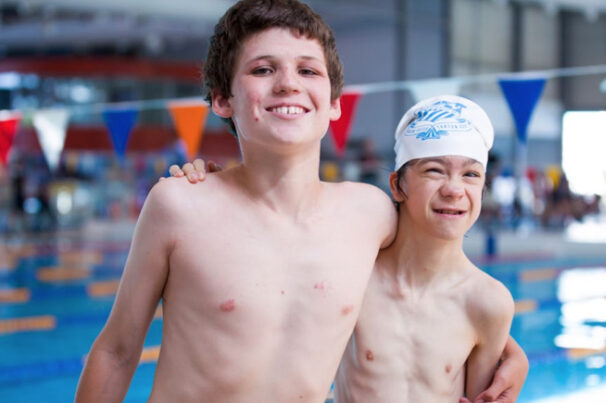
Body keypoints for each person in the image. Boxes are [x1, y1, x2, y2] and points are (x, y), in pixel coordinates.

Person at [77, 1, 525, 402]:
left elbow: (437, 277)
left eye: (308, 70)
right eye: (263, 69)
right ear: (221, 98)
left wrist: (509, 350)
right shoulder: (180, 206)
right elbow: (117, 351)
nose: (288, 84)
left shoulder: (368, 214)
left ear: (333, 103)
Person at [333, 96, 516, 402]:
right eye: (434, 170)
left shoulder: (489, 302)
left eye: (471, 175)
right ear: (397, 185)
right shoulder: (353, 279)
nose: (454, 189)